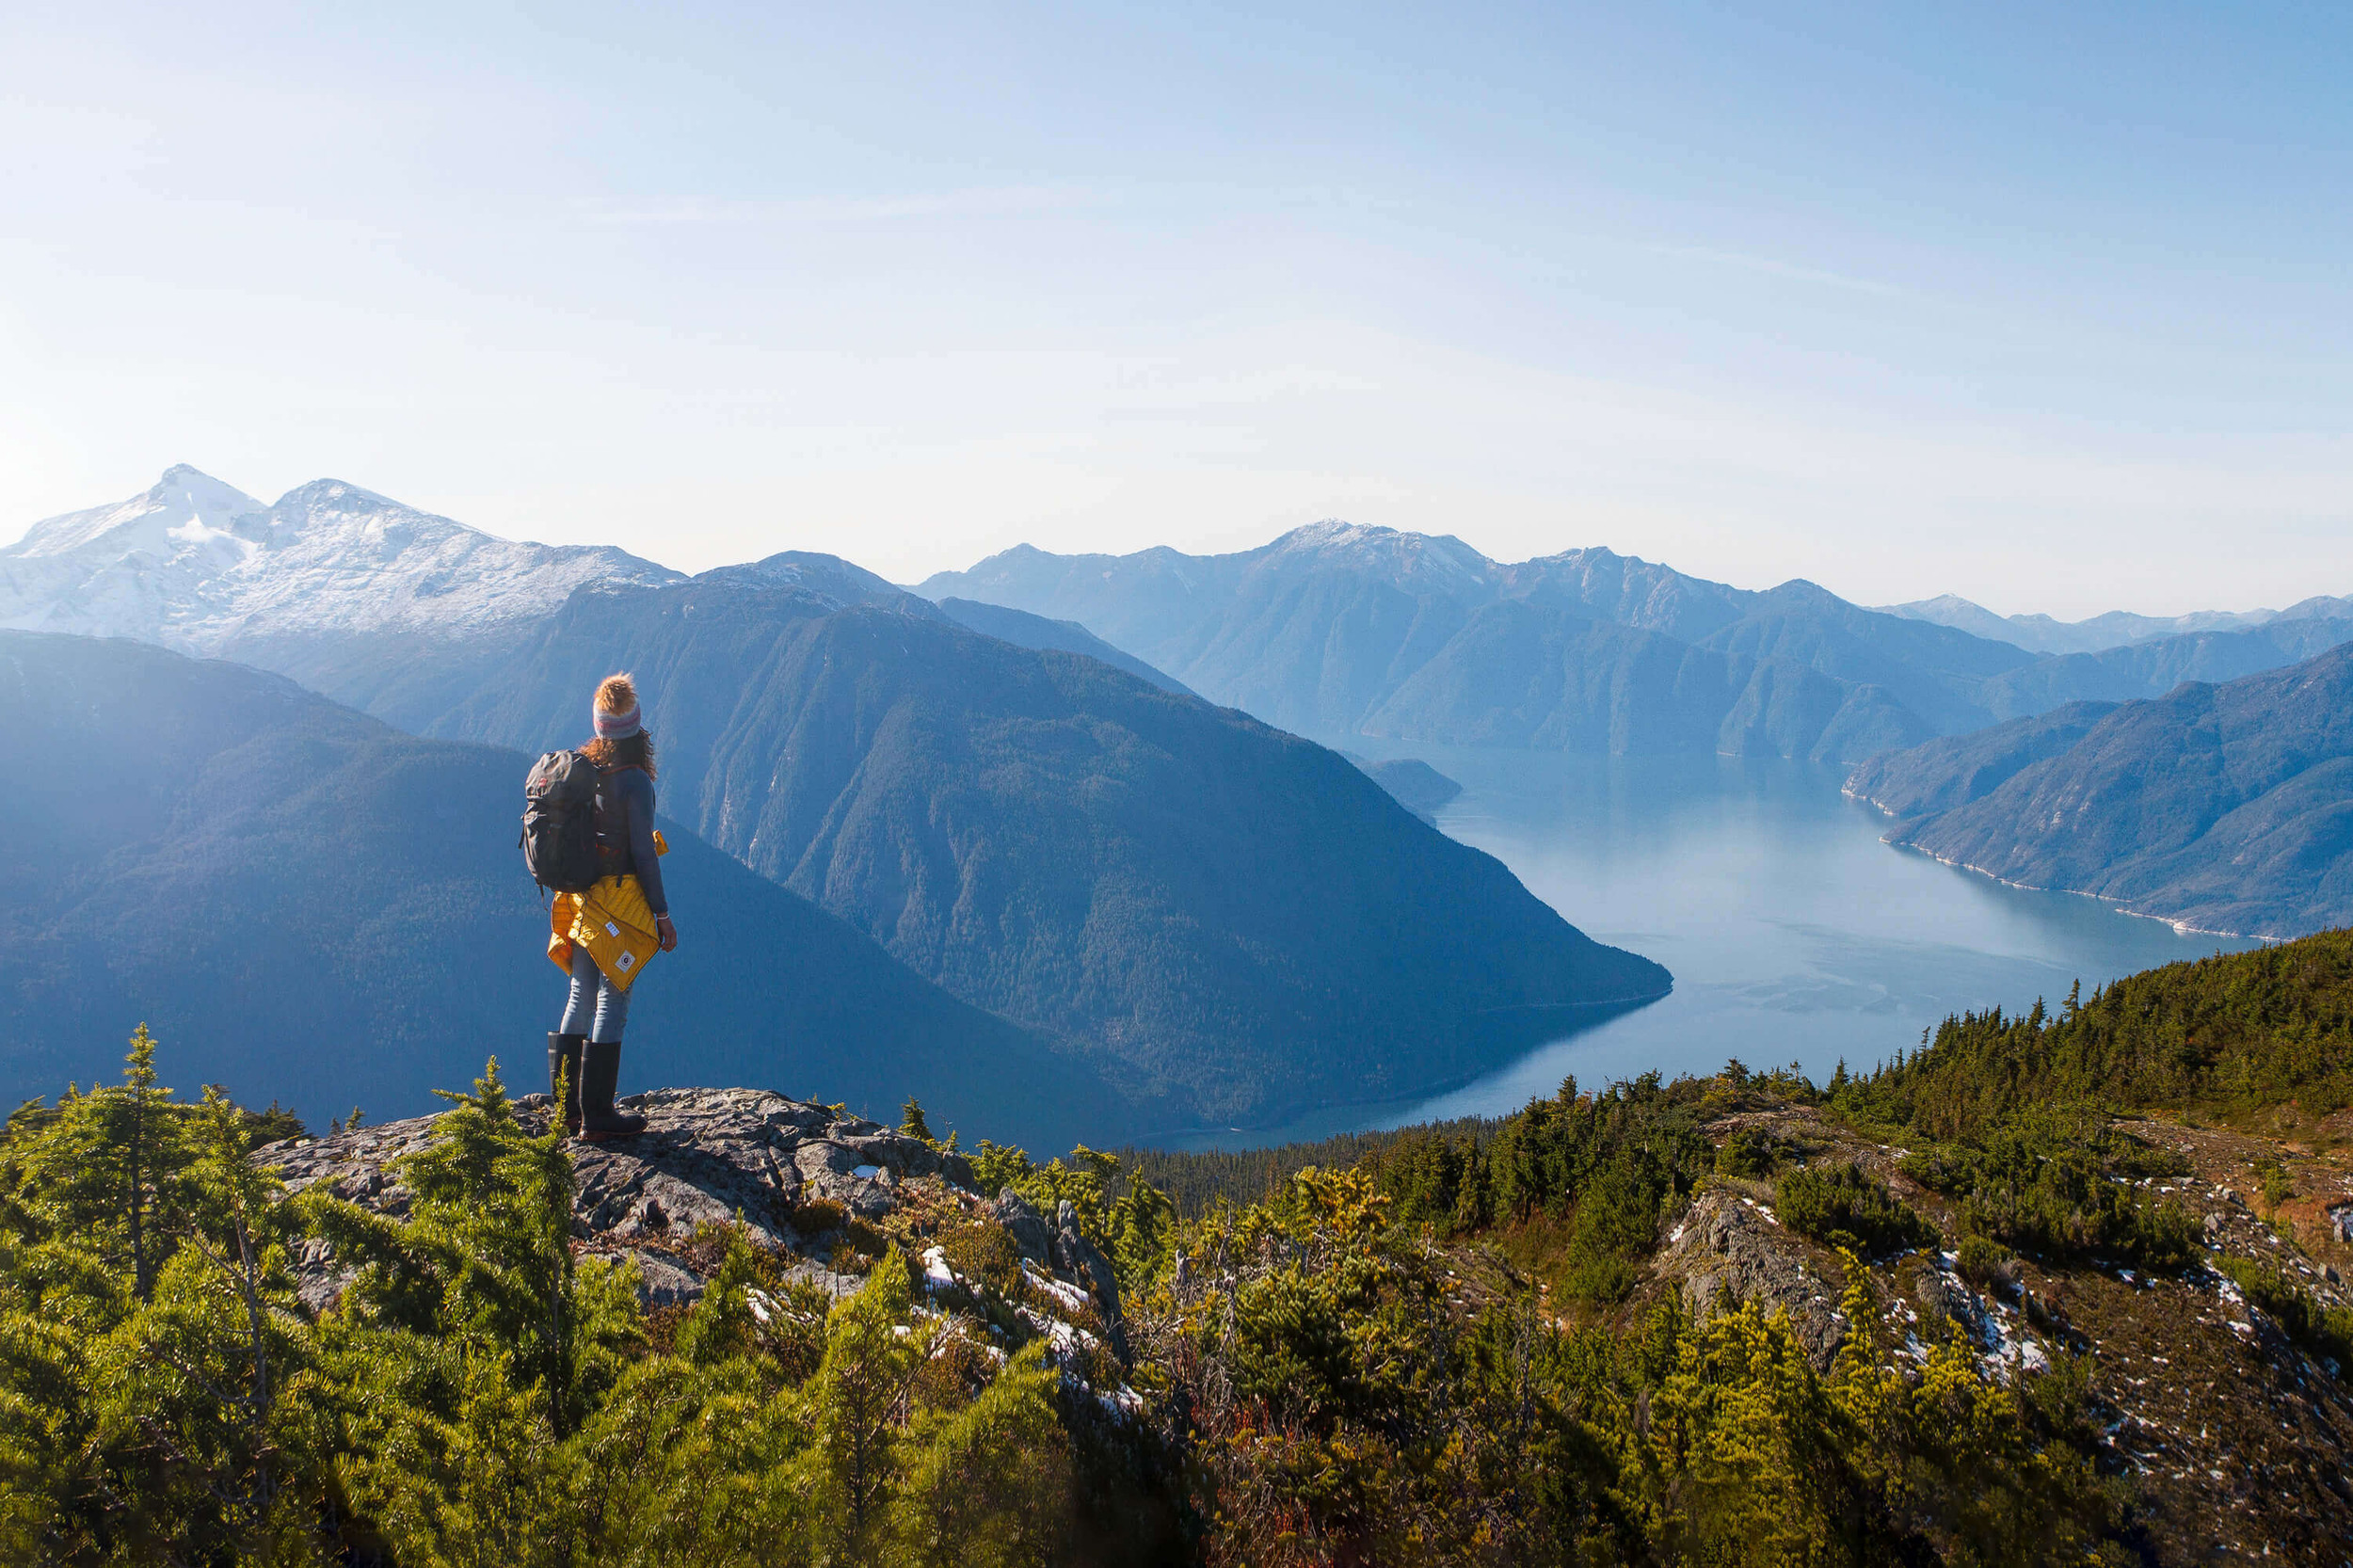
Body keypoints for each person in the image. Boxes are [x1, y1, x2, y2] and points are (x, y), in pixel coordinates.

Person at [546, 673, 678, 1139]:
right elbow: (643, 852)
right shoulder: (634, 781)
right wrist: (661, 914)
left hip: (582, 897)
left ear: (599, 727)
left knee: (580, 993)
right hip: (619, 902)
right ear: (636, 727)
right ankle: (598, 1115)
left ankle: (567, 1110)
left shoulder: (583, 770)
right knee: (613, 998)